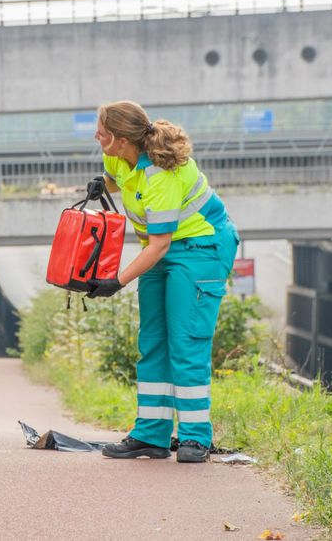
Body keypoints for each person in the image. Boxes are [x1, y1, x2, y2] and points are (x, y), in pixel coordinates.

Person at [88, 100, 239, 463]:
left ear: (121, 139)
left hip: (201, 249)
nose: (96, 135)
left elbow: (159, 244)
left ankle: (195, 438)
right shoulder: (116, 156)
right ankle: (151, 435)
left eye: (102, 131)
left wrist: (116, 281)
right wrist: (103, 183)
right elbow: (117, 178)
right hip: (162, 249)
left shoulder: (161, 175)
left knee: (185, 341)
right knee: (153, 340)